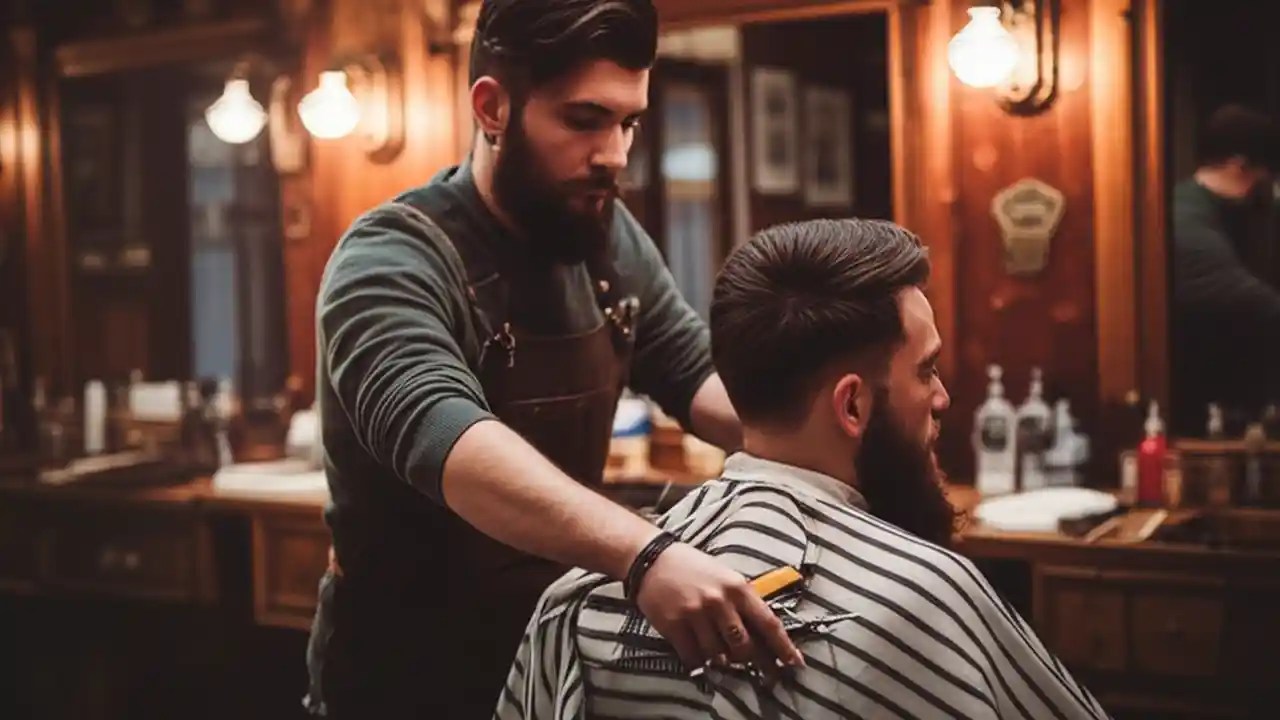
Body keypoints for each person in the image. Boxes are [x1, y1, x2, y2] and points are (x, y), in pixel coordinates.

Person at [302, 1, 800, 717]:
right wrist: (647, 554)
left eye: (628, 123)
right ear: (493, 107)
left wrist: (818, 452)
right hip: (406, 680)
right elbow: (448, 440)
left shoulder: (604, 233)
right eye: (585, 119)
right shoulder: (388, 259)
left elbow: (695, 374)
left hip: (548, 664)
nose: (615, 154)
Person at [496, 219, 1108, 720]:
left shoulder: (575, 607)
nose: (942, 397)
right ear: (852, 405)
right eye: (926, 370)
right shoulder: (924, 598)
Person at [1171, 105, 1280, 435]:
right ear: (1239, 166)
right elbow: (1245, 298)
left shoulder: (1241, 209)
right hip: (1200, 396)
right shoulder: (1185, 214)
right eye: (1265, 175)